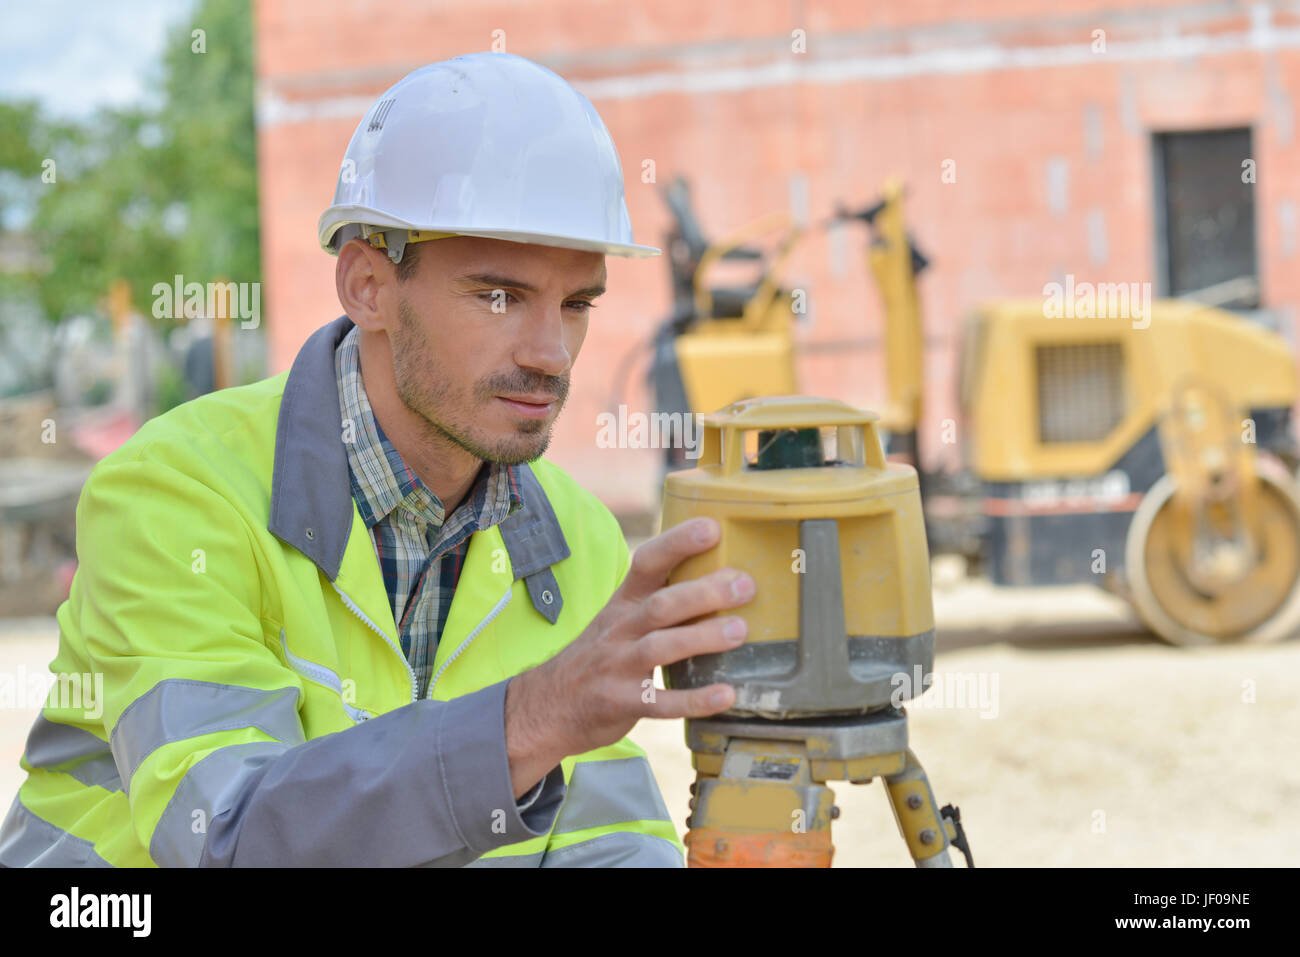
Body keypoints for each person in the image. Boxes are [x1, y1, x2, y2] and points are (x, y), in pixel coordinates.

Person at [0, 51, 755, 867]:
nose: (552, 354)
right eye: (498, 296)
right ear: (366, 284)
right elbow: (225, 839)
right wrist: (527, 720)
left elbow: (606, 844)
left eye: (576, 304)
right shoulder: (172, 496)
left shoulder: (580, 539)